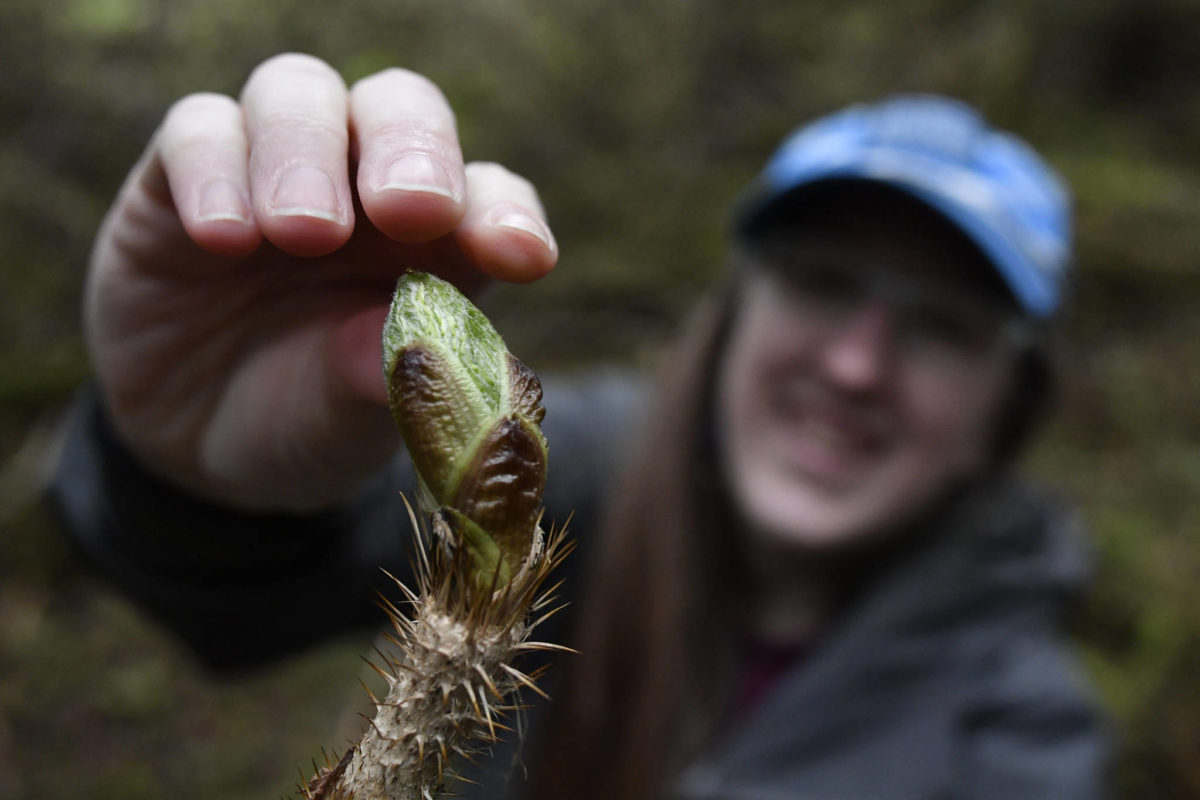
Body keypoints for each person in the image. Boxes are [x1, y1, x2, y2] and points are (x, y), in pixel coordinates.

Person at [50, 54, 1108, 799]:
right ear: (733, 315)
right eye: (822, 282)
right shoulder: (570, 481)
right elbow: (253, 595)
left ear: (1003, 411)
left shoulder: (1024, 741)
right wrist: (197, 479)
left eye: (944, 326)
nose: (855, 363)